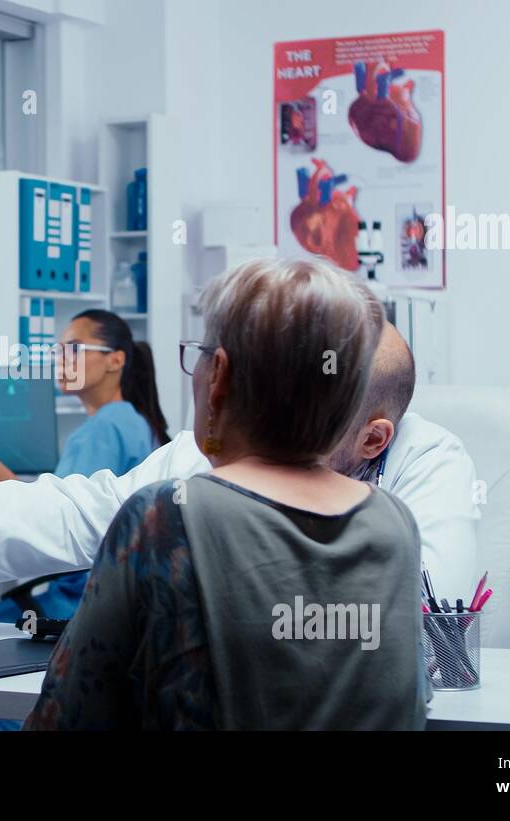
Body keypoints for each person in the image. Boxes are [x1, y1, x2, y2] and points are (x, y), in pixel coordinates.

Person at [0, 270, 479, 604]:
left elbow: (433, 618)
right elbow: (76, 510)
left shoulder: (427, 472)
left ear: (374, 438)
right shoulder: (202, 468)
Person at [24, 257, 423, 729]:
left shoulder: (164, 519)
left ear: (219, 378)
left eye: (199, 354)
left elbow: (64, 719)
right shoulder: (395, 524)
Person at [0, 309, 169, 621]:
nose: (60, 359)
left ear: (115, 361)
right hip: (107, 596)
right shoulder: (131, 421)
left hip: (80, 604)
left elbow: (50, 516)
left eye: (73, 349)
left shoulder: (105, 428)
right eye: (58, 351)